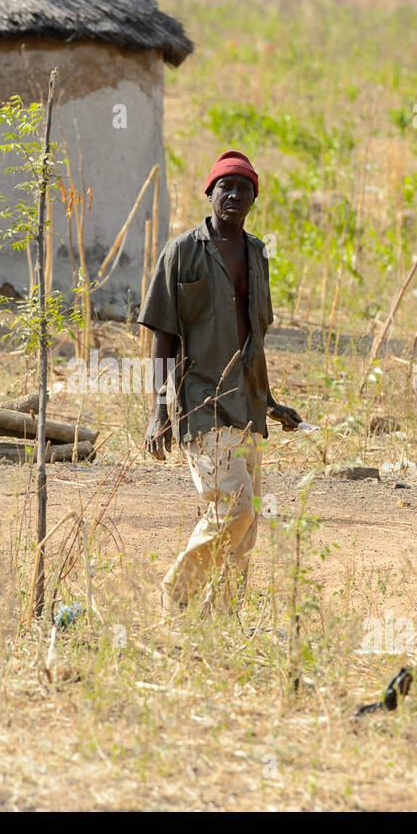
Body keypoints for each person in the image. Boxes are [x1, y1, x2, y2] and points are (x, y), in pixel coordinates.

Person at [137, 149, 302, 615]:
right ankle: (177, 595)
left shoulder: (256, 254)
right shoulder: (182, 252)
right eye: (225, 187)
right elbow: (164, 336)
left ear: (254, 200)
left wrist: (269, 400)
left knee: (245, 526)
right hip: (201, 402)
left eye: (244, 188)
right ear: (209, 193)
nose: (234, 195)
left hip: (246, 404)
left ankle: (220, 621)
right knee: (234, 508)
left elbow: (253, 333)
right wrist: (159, 411)